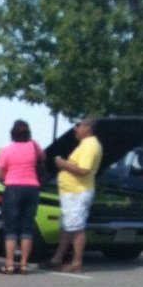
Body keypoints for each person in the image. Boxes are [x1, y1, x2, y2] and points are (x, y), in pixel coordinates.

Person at [50, 116, 103, 271]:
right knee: (68, 226)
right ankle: (57, 258)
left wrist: (63, 164)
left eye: (78, 125)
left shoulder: (89, 145)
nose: (75, 128)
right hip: (71, 192)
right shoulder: (85, 145)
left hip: (77, 192)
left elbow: (83, 170)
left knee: (77, 227)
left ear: (88, 128)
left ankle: (76, 261)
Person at [0, 119, 44, 273]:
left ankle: (9, 264)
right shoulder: (34, 146)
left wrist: (4, 179)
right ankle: (23, 264)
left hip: (13, 188)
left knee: (10, 227)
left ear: (12, 133)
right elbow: (42, 160)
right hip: (32, 188)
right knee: (27, 227)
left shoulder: (7, 150)